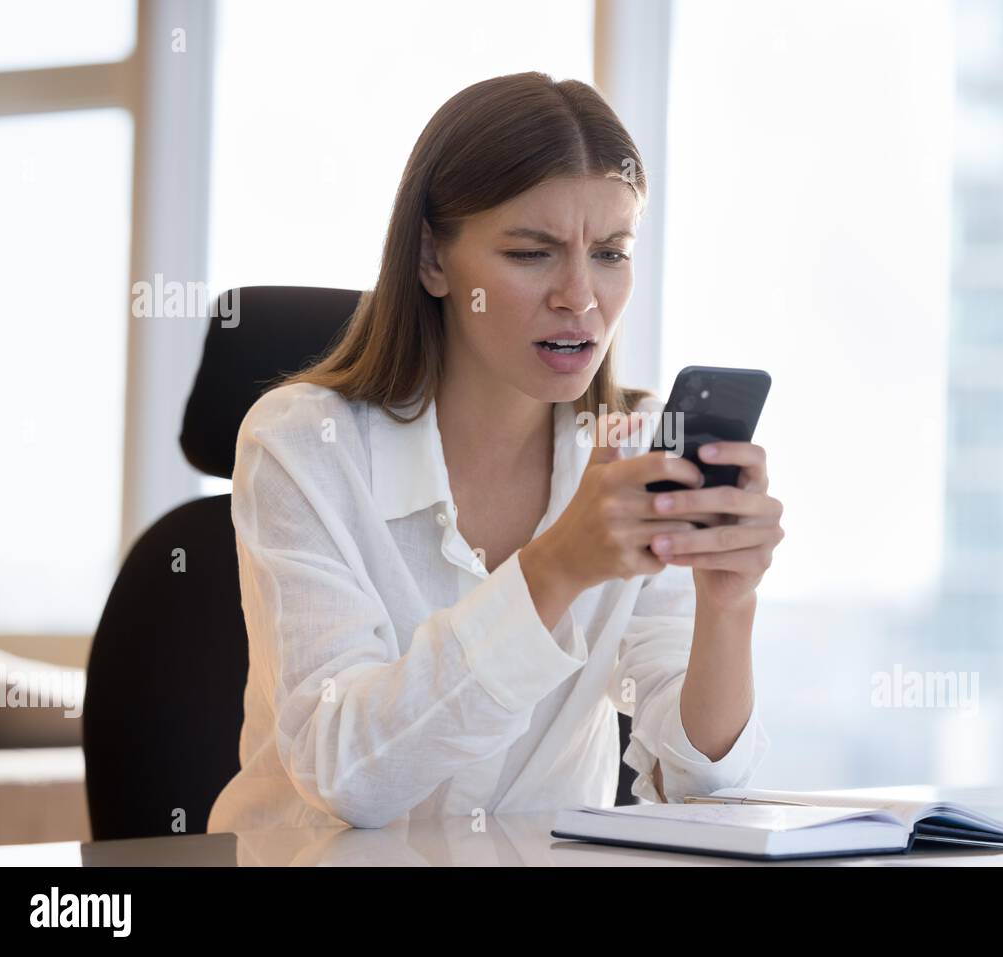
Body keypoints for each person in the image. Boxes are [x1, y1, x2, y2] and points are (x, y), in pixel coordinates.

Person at [206, 72, 784, 832]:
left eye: (611, 252)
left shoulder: (635, 447)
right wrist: (555, 568)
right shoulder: (304, 444)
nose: (580, 296)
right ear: (432, 260)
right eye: (531, 252)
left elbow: (696, 783)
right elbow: (348, 776)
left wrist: (727, 603)